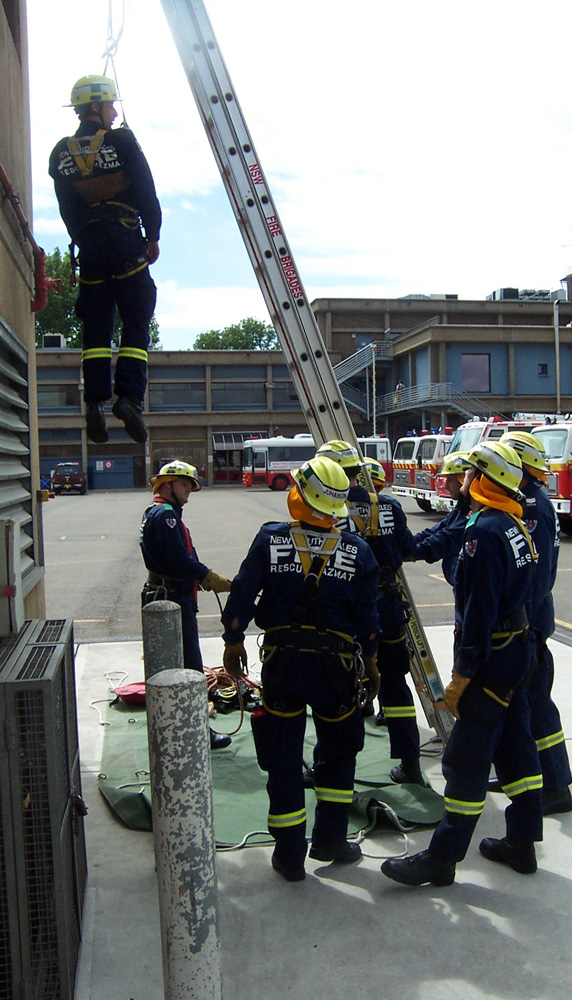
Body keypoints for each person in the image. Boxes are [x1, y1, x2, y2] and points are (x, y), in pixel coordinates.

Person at [381, 441, 543, 887]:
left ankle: (442, 857)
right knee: (516, 747)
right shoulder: (510, 522)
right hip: (516, 650)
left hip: (491, 659)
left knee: (465, 762)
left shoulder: (484, 533)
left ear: (483, 480)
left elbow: (478, 612)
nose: (462, 481)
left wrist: (462, 675)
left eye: (469, 474)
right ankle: (523, 842)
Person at [221, 455, 380, 882]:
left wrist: (232, 640)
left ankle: (290, 855)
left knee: (284, 758)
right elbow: (368, 618)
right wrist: (373, 662)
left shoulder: (270, 540)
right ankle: (330, 839)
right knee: (339, 751)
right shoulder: (358, 551)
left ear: (299, 497)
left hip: (283, 665)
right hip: (337, 668)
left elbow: (242, 592)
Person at [49, 75, 162, 445]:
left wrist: (80, 239)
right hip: (126, 240)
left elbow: (67, 207)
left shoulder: (60, 153)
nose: (115, 113)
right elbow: (145, 187)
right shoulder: (122, 141)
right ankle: (129, 399)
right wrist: (153, 235)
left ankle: (94, 404)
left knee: (96, 329)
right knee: (137, 318)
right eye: (111, 105)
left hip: (91, 246)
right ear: (96, 107)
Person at [317, 442, 425, 786]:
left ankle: (330, 767)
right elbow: (407, 549)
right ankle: (410, 764)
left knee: (335, 687)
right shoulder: (389, 504)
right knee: (395, 684)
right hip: (388, 608)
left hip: (345, 612)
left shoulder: (327, 509)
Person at [498, 431, 572, 815]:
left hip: (530, 622)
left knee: (537, 702)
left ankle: (556, 786)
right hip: (529, 619)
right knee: (523, 703)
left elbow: (538, 575)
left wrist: (522, 624)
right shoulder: (528, 502)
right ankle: (526, 773)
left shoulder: (533, 508)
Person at [140, 460, 233, 750]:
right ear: (167, 485)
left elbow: (175, 558)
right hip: (174, 599)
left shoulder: (155, 512)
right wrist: (207, 575)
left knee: (170, 667)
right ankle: (196, 735)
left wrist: (199, 578)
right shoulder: (166, 516)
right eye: (184, 485)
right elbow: (179, 558)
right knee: (190, 670)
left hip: (166, 593)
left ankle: (175, 731)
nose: (189, 492)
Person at [408, 451, 471, 586]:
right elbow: (436, 531)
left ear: (463, 478)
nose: (446, 485)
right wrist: (405, 542)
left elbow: (443, 540)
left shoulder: (474, 515)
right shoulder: (462, 509)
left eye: (450, 480)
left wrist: (405, 553)